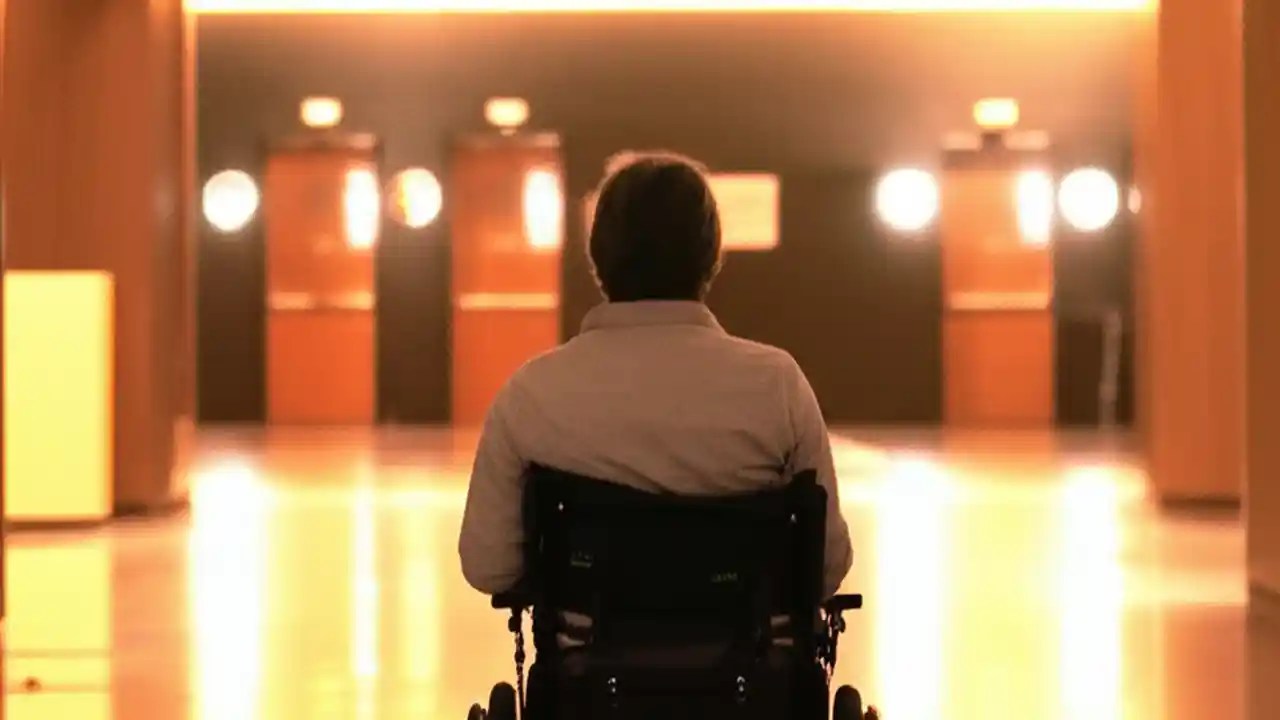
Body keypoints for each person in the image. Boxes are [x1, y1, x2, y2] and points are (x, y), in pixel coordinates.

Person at [458, 151, 853, 600]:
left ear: (597, 257)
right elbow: (826, 566)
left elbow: (489, 566)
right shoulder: (777, 384)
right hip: (750, 662)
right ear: (711, 257)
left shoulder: (532, 393)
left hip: (588, 661)